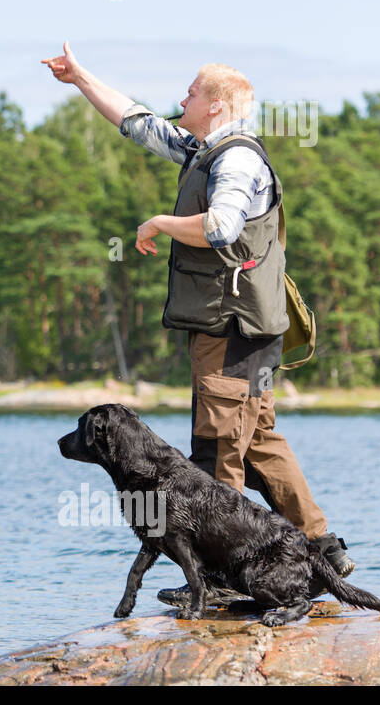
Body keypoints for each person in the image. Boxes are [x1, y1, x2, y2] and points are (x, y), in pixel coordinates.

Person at [42, 41, 354, 606]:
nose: (180, 99)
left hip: (230, 331)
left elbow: (220, 227)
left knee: (215, 455)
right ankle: (322, 549)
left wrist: (159, 221)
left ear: (214, 104)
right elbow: (139, 124)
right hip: (250, 330)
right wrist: (81, 78)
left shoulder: (236, 160)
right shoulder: (205, 149)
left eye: (189, 92)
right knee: (257, 441)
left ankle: (213, 582)